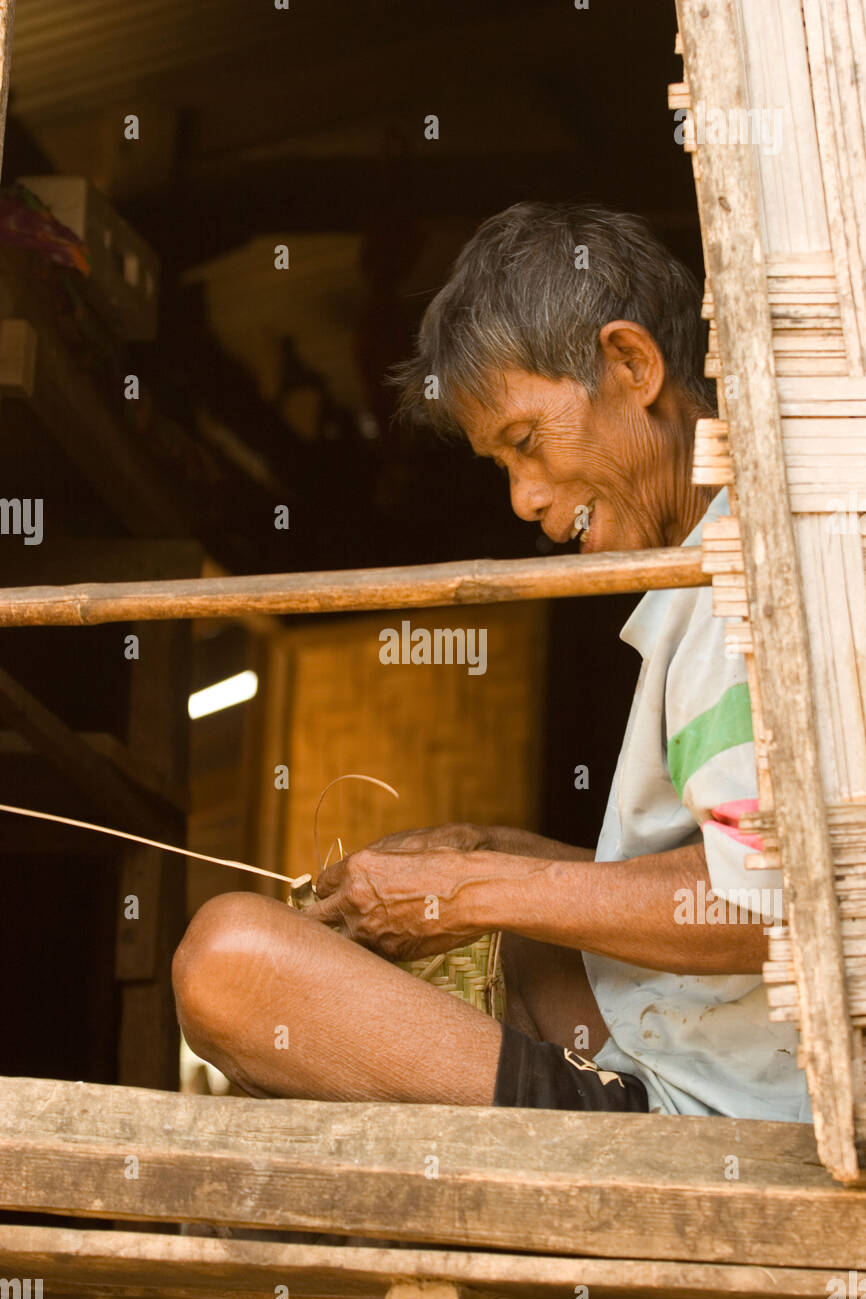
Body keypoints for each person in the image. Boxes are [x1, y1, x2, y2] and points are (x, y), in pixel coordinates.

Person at [173, 203, 807, 1122]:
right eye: (502, 465)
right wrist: (491, 853)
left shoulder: (742, 592)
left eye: (525, 444)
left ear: (632, 366)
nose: (523, 499)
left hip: (725, 1115)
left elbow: (761, 902)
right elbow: (723, 865)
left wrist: (463, 891)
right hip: (692, 1050)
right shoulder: (705, 572)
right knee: (509, 928)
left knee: (225, 963)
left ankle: (603, 1138)